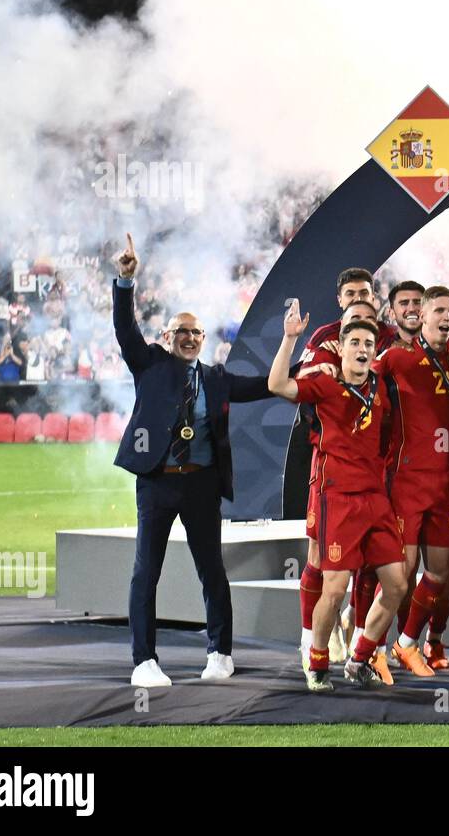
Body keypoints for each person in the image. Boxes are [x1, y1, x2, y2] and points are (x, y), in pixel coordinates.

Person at [111, 234, 271, 689]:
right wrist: (125, 282)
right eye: (181, 331)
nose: (189, 338)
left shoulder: (217, 379)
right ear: (166, 337)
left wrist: (309, 367)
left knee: (212, 570)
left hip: (201, 484)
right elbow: (125, 330)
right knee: (147, 571)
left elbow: (265, 385)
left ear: (204, 340)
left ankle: (220, 653)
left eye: (196, 333)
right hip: (157, 482)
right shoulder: (149, 364)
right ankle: (144, 661)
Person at [268, 303, 406, 692]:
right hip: (339, 499)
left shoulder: (381, 386)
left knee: (397, 584)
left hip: (375, 499)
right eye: (355, 342)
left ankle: (359, 659)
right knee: (334, 589)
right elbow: (277, 385)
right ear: (340, 348)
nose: (362, 349)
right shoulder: (324, 384)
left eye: (368, 343)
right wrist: (290, 339)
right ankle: (316, 662)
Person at [378, 286, 449, 675]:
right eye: (439, 311)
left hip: (446, 482)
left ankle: (407, 643)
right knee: (402, 572)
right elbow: (359, 379)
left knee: (441, 571)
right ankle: (371, 647)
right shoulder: (397, 358)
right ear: (423, 316)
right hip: (407, 481)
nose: (447, 318)